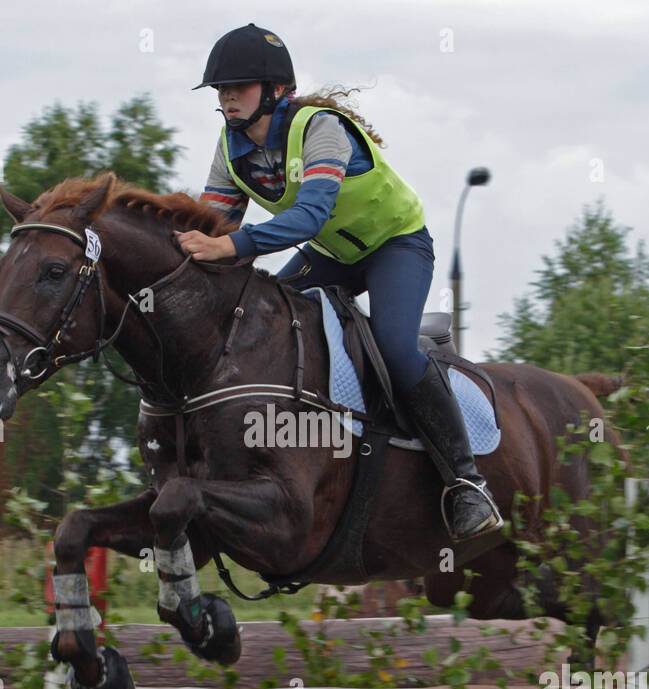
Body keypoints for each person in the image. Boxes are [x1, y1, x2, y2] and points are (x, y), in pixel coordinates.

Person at [174, 23, 501, 542]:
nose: (226, 97)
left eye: (238, 85)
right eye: (220, 89)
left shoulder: (320, 127)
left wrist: (232, 248)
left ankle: (466, 481)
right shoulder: (230, 147)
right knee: (263, 327)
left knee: (395, 348)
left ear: (277, 89)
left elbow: (307, 216)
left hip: (396, 246)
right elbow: (213, 227)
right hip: (333, 253)